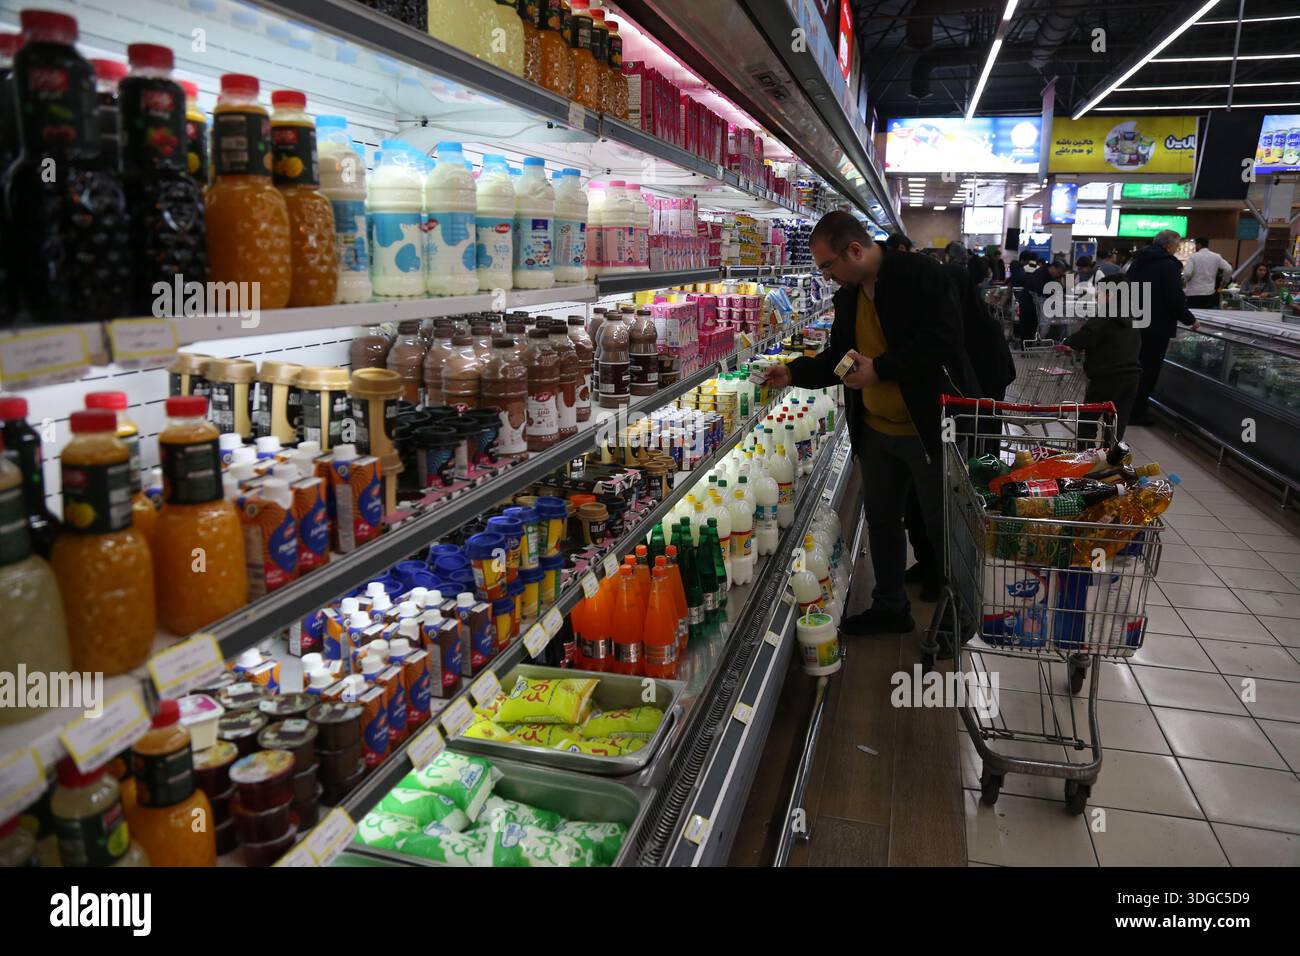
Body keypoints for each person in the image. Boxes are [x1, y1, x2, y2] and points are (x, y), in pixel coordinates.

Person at [766, 212, 976, 635]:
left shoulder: (921, 276)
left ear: (855, 250)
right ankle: (890, 606)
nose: (827, 276)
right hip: (877, 430)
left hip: (929, 429)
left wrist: (880, 369)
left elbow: (943, 343)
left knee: (944, 528)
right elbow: (841, 358)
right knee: (882, 521)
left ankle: (959, 619)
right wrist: (793, 372)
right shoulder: (849, 296)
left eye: (829, 266)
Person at [896, 243, 1014, 600]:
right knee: (920, 503)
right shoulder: (938, 329)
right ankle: (927, 562)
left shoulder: (982, 330)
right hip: (938, 430)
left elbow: (1002, 376)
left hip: (972, 435)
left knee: (953, 507)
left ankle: (945, 574)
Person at [1126, 229, 1199, 425]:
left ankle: (1124, 409)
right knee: (1148, 370)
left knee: (1132, 368)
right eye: (1176, 245)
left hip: (1134, 322)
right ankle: (1136, 413)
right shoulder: (1169, 265)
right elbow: (1174, 298)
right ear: (1168, 246)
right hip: (1157, 326)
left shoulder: (1138, 261)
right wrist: (1190, 320)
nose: (1177, 249)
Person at [1065, 273, 1142, 442]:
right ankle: (1110, 455)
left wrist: (1068, 342)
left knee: (1087, 421)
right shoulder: (1132, 313)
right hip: (1131, 376)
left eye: (1099, 292)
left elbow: (1085, 336)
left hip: (1106, 376)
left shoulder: (1106, 314)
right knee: (1115, 425)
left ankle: (1085, 456)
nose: (1097, 296)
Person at [1023, 257, 1067, 339]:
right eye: (1058, 272)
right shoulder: (1041, 273)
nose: (1058, 275)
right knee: (1031, 329)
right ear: (1053, 268)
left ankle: (1037, 342)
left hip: (1034, 306)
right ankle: (1035, 343)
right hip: (1029, 305)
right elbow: (1039, 290)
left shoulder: (1048, 274)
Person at [1182, 237, 1231, 309]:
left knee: (1193, 313)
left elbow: (1187, 273)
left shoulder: (1193, 257)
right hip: (1209, 292)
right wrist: (1224, 282)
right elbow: (1228, 269)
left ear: (1199, 245)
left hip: (1193, 292)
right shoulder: (1216, 256)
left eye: (1195, 245)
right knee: (1206, 314)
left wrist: (1186, 281)